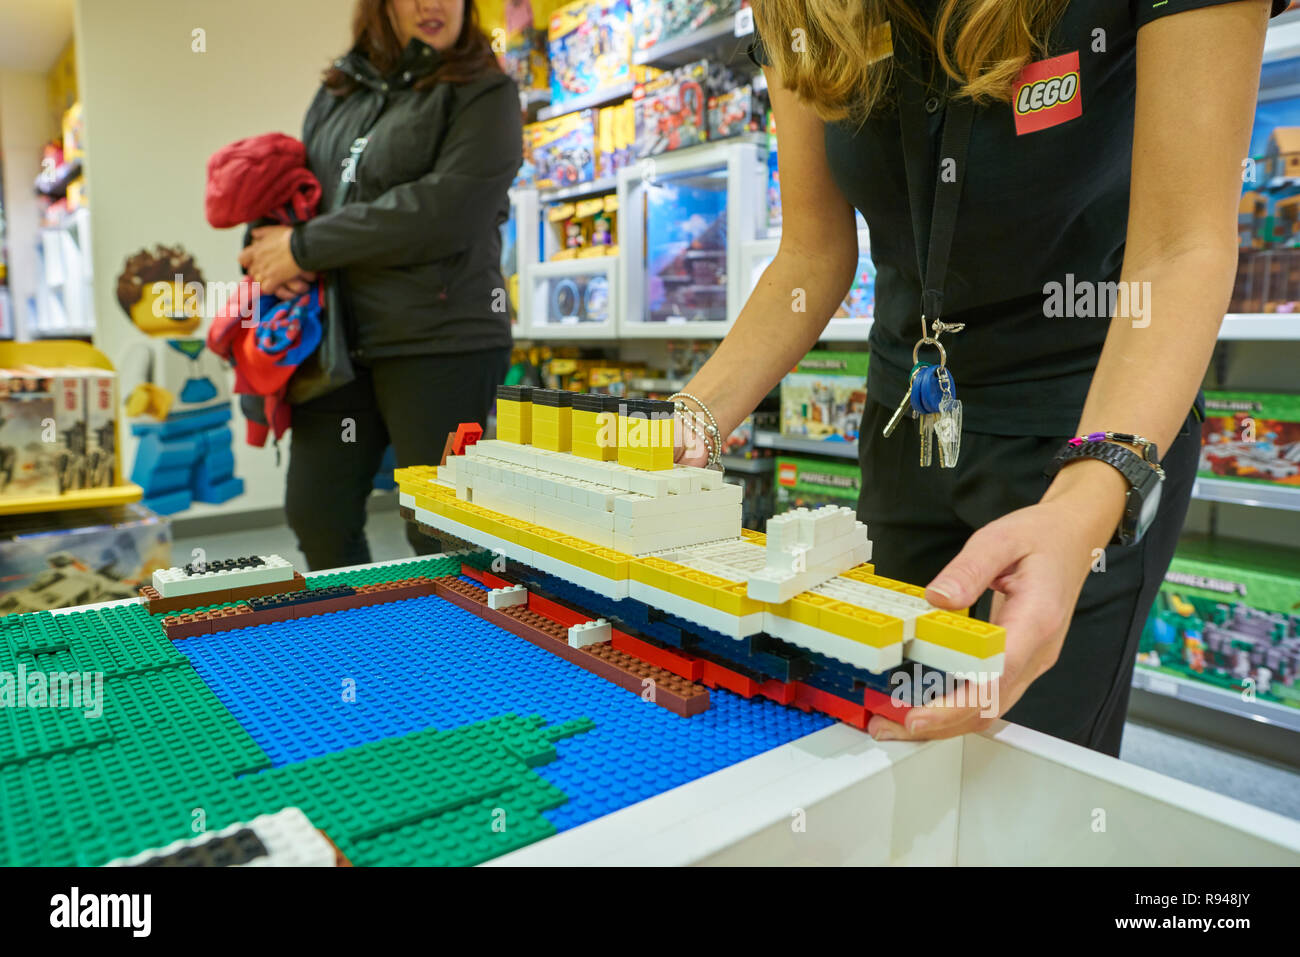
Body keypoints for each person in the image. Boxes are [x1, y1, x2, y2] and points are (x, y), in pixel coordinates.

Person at [670, 0, 1283, 754]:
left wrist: (1084, 504)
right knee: (888, 738)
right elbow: (811, 251)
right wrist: (690, 416)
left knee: (1025, 774)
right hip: (909, 420)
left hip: (1090, 420)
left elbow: (1181, 248)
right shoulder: (798, 8)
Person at [238, 0, 521, 570]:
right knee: (317, 513)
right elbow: (304, 192)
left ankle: (462, 655)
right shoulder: (341, 90)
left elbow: (445, 211)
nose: (432, 4)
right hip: (339, 339)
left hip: (441, 340)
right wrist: (265, 247)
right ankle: (356, 647)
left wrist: (304, 247)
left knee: (437, 531)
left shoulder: (486, 91)